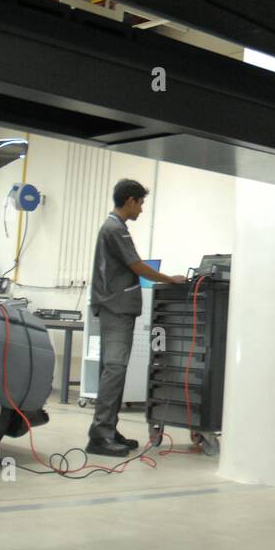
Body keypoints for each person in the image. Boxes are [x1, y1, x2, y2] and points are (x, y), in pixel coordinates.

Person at [86, 179, 186, 458]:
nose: (141, 209)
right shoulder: (115, 229)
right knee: (115, 369)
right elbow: (137, 265)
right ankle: (101, 434)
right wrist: (170, 279)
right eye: (140, 203)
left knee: (114, 369)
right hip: (116, 308)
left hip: (115, 307)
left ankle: (108, 429)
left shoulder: (115, 228)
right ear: (130, 200)